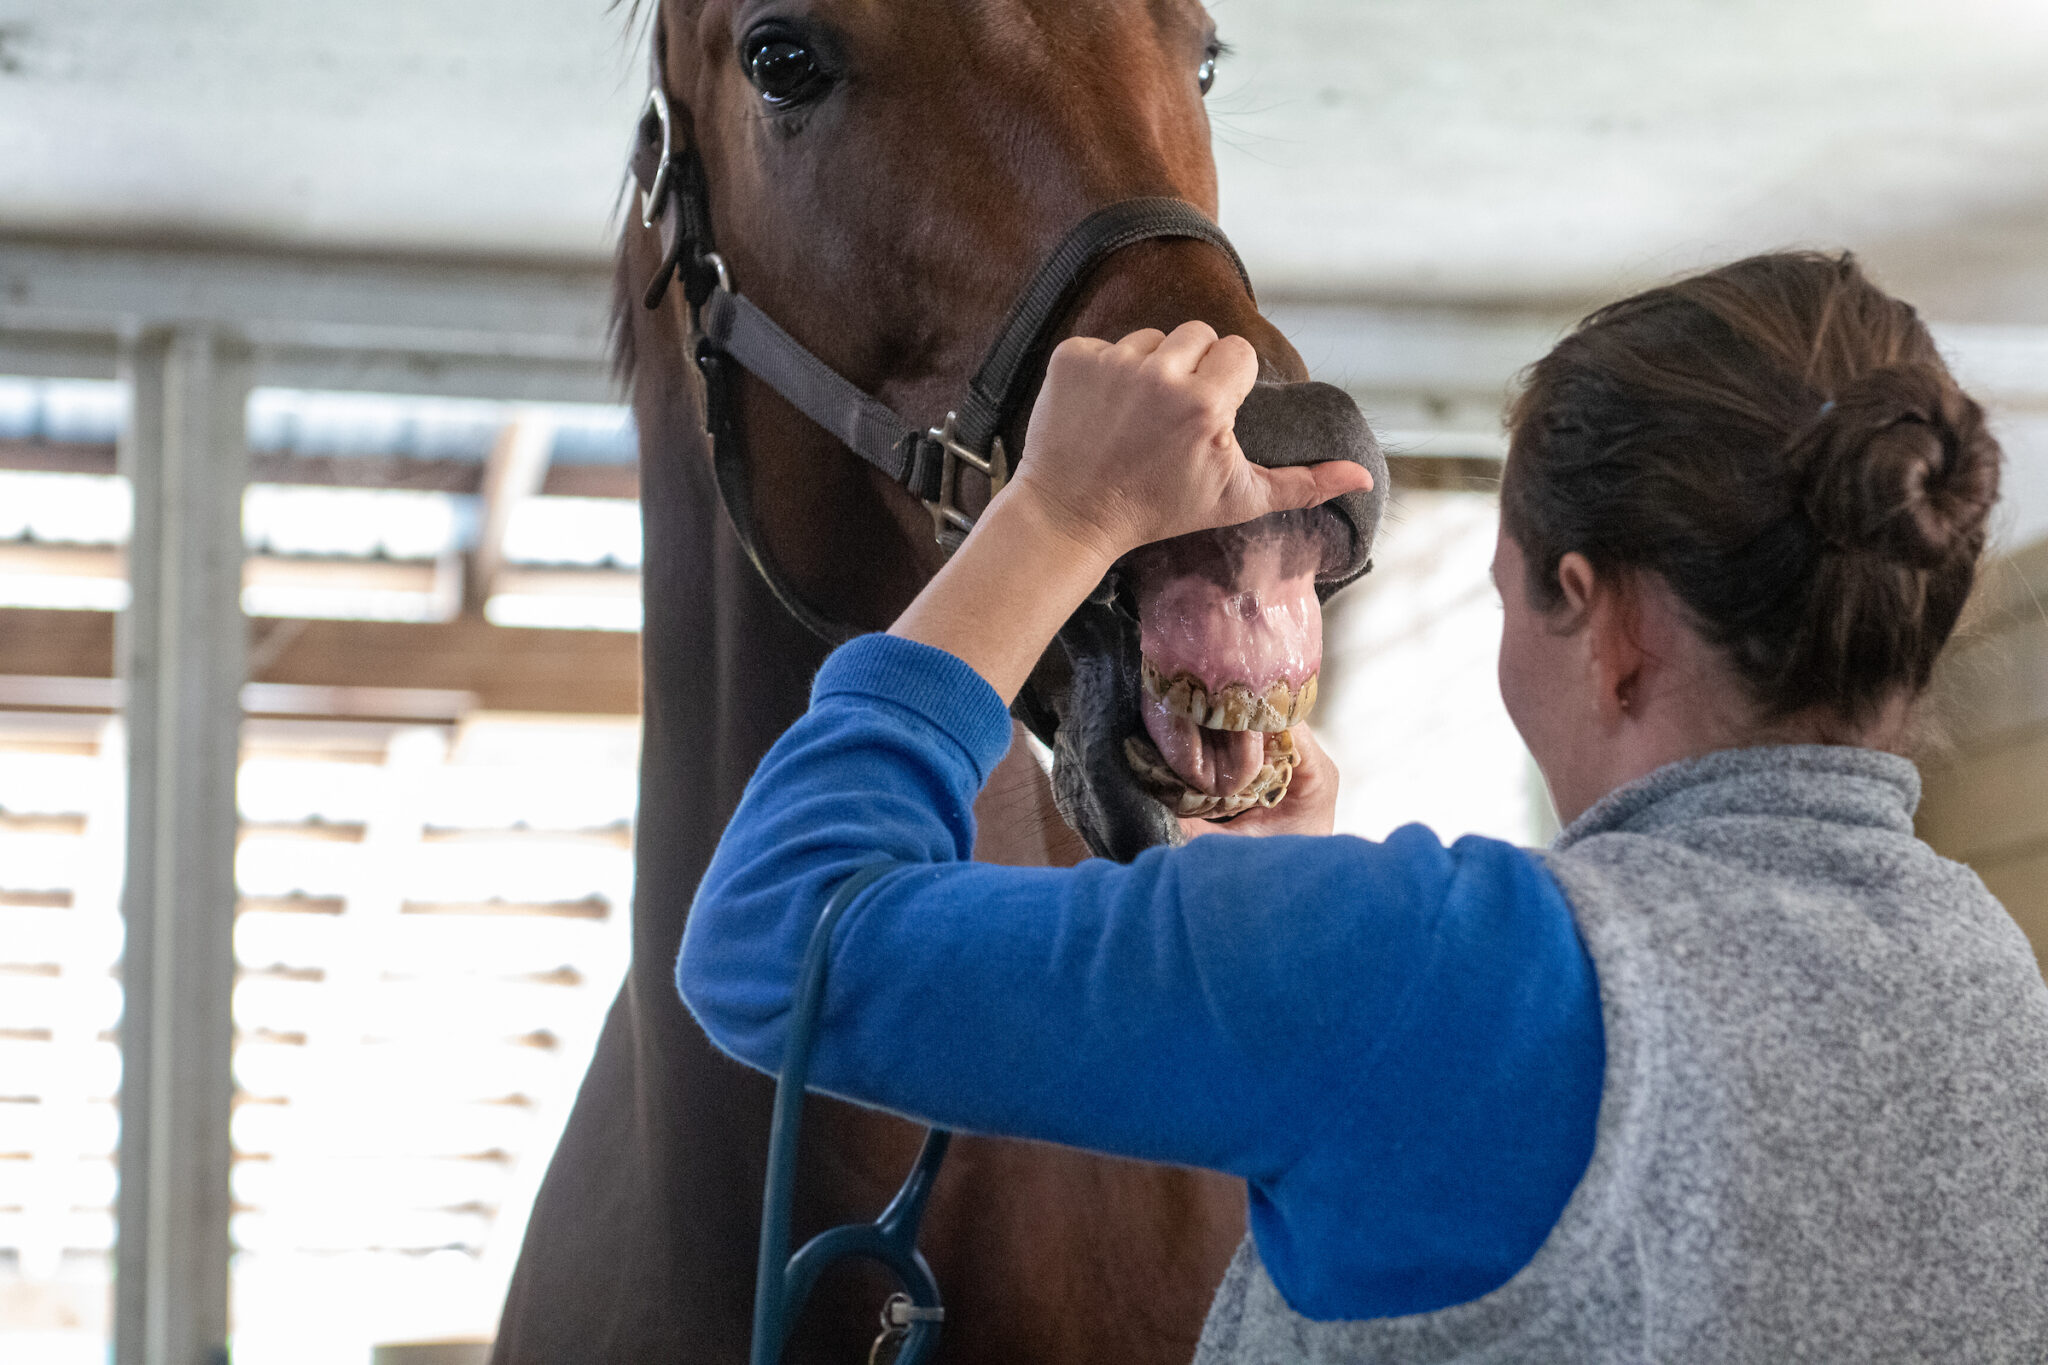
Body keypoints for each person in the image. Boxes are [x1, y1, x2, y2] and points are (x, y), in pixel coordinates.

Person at [677, 252, 2048, 1361]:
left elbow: (772, 944)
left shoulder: (1422, 964)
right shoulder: (1992, 987)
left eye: (1511, 592)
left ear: (1609, 624)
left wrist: (1055, 513)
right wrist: (1282, 934)